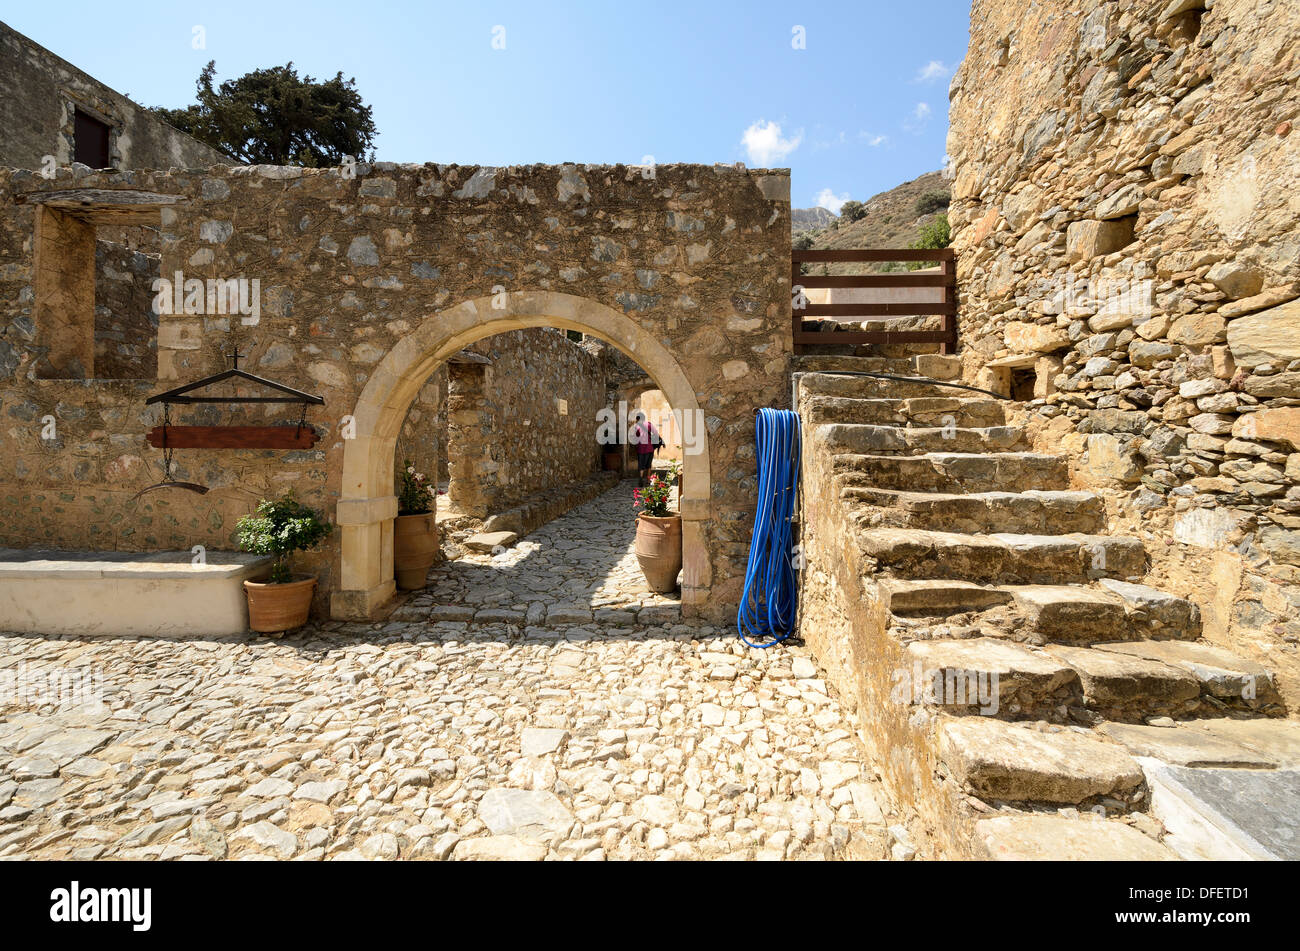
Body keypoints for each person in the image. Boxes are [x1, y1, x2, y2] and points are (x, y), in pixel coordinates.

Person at [631, 411, 660, 487]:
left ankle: (640, 478)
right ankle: (647, 480)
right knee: (648, 465)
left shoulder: (636, 426)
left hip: (640, 449)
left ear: (637, 419)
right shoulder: (649, 424)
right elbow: (656, 434)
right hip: (649, 448)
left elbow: (635, 437)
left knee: (641, 464)